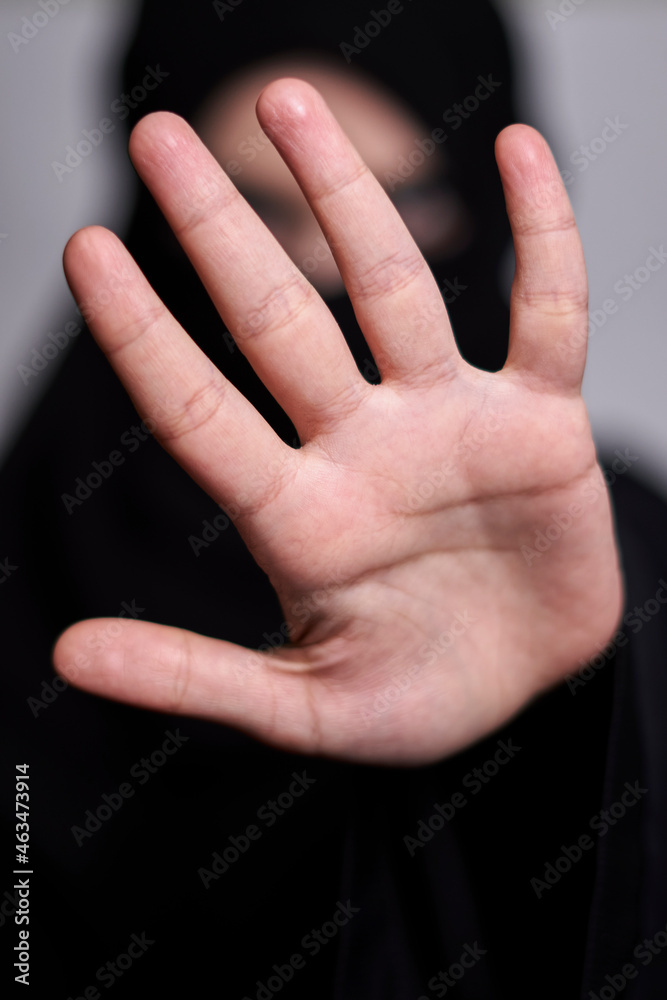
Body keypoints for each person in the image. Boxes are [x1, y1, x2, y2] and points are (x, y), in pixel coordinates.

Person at [3, 2, 667, 996]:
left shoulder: (627, 550)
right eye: (260, 214)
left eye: (410, 208)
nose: (323, 270)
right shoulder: (26, 550)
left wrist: (557, 721)